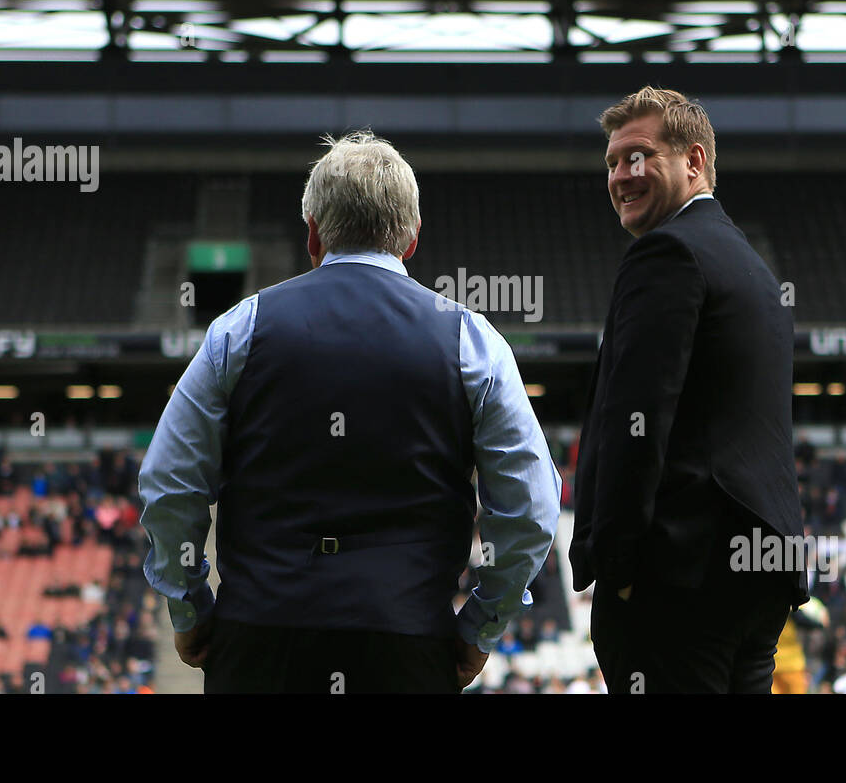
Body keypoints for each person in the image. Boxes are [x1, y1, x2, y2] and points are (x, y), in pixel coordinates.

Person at [139, 130, 560, 693]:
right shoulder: (470, 340)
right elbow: (530, 507)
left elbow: (170, 483)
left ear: (312, 233)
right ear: (411, 240)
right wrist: (481, 624)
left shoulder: (238, 330)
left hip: (260, 644)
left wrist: (190, 607)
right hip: (407, 645)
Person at [570, 86, 808, 693]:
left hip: (678, 578)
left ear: (694, 161)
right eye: (613, 163)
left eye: (639, 157)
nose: (622, 175)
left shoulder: (668, 254)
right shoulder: (754, 269)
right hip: (756, 575)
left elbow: (635, 422)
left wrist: (617, 565)